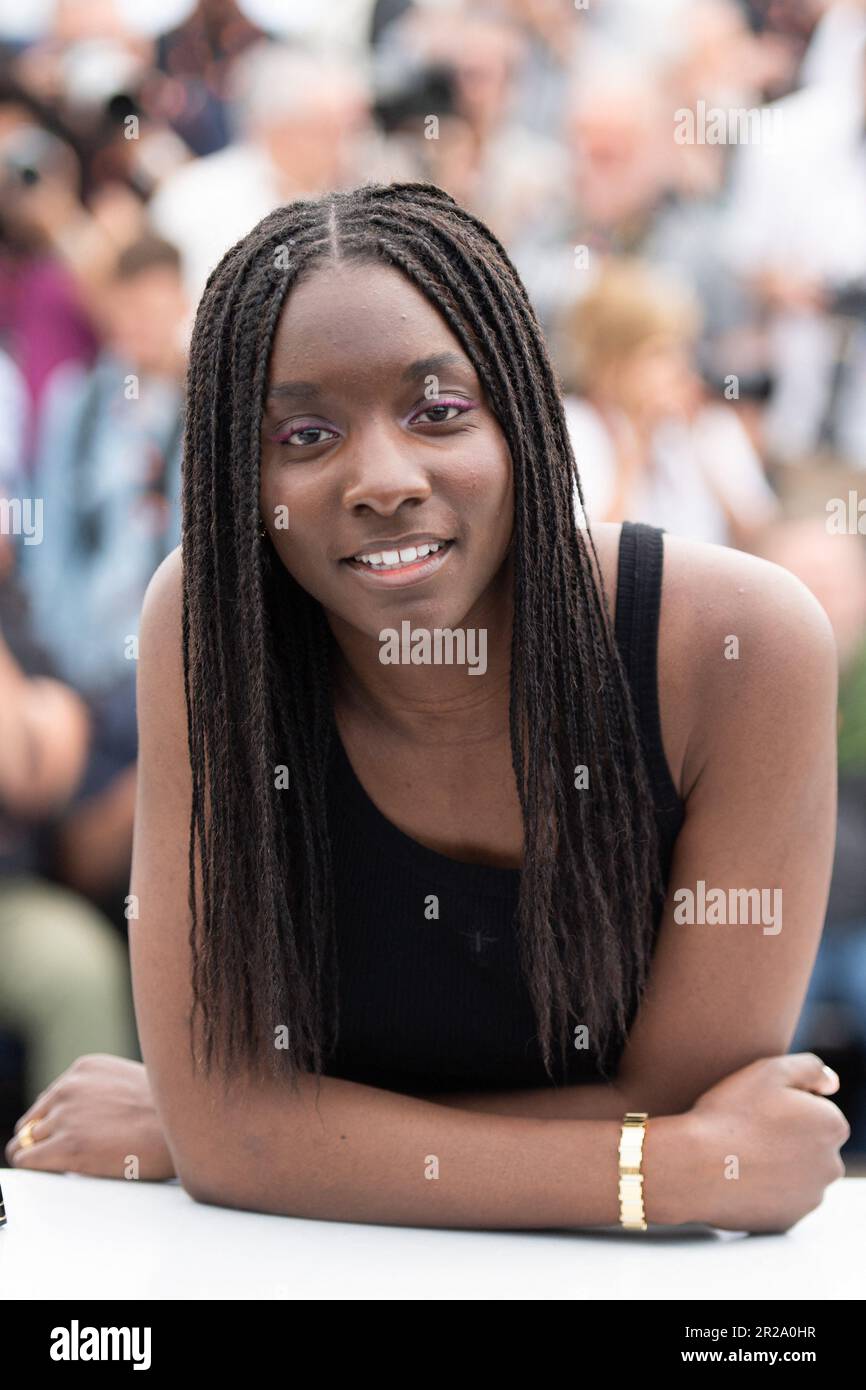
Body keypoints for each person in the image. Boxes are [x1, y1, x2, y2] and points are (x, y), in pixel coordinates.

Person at [6, 183, 848, 1234]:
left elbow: (681, 1104)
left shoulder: (741, 648)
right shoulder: (207, 627)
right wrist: (654, 1175)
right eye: (304, 435)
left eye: (438, 411)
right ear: (236, 472)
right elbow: (683, 1149)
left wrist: (249, 1135)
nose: (383, 478)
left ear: (524, 417)